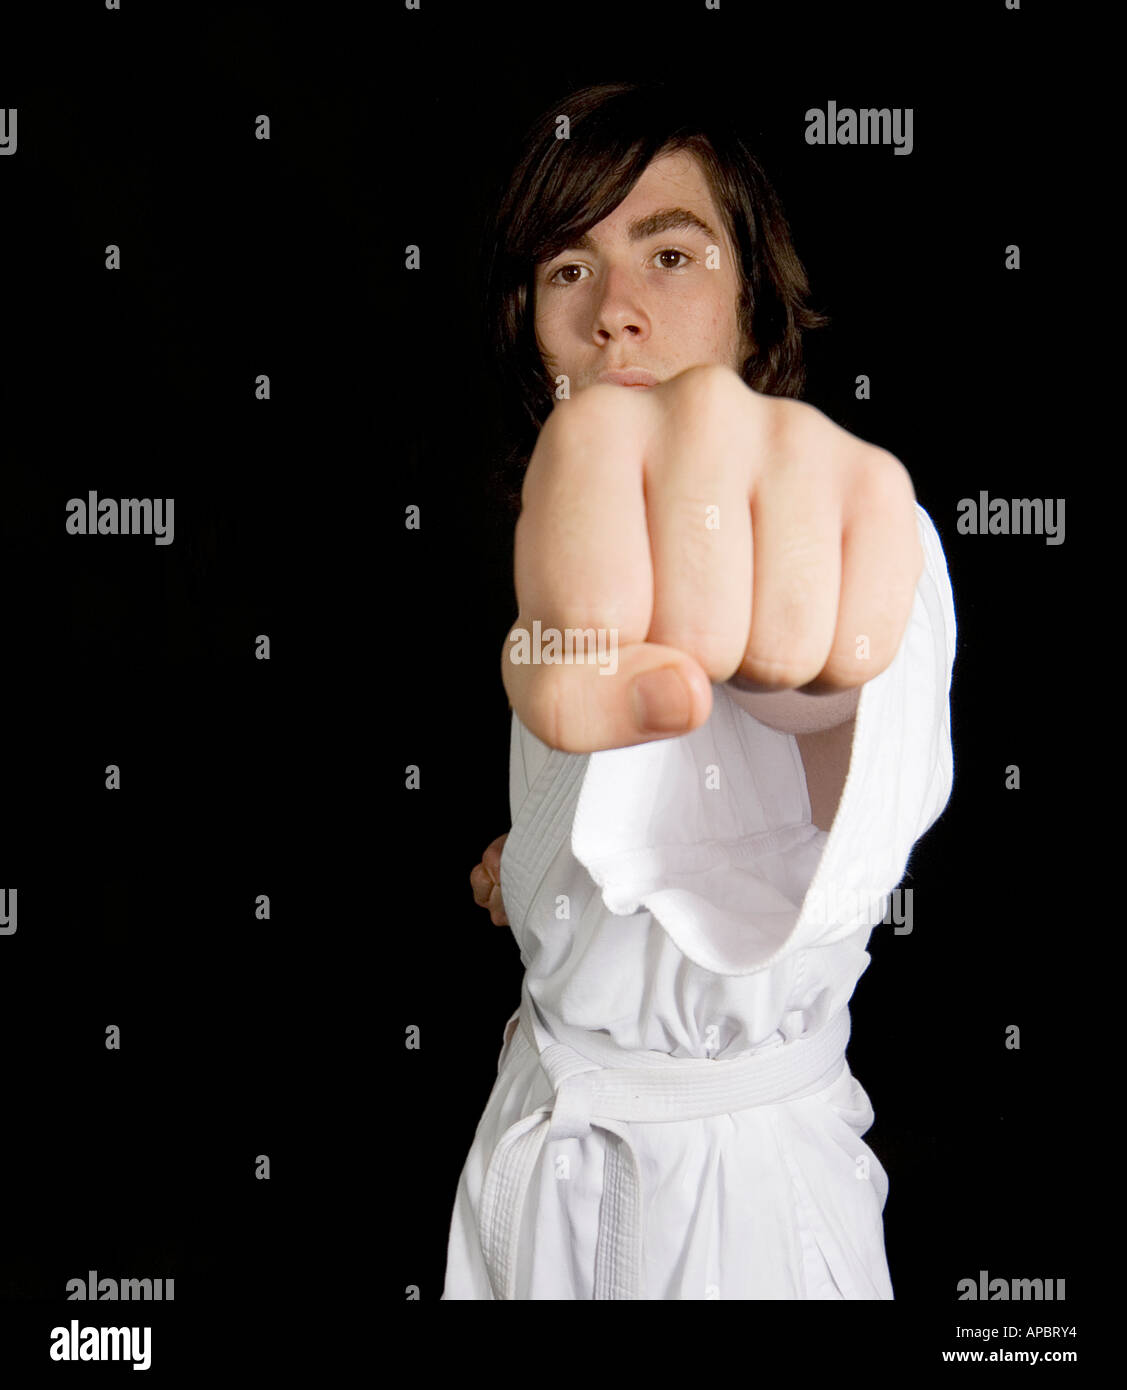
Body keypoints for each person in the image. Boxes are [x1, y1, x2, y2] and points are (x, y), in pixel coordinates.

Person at [444, 80, 956, 1300]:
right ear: (529, 322)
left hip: (729, 1227)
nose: (615, 311)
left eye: (669, 253)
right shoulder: (561, 535)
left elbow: (821, 705)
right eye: (567, 271)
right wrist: (536, 873)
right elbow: (666, 813)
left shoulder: (834, 526)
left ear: (751, 300)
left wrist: (822, 665)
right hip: (536, 1147)